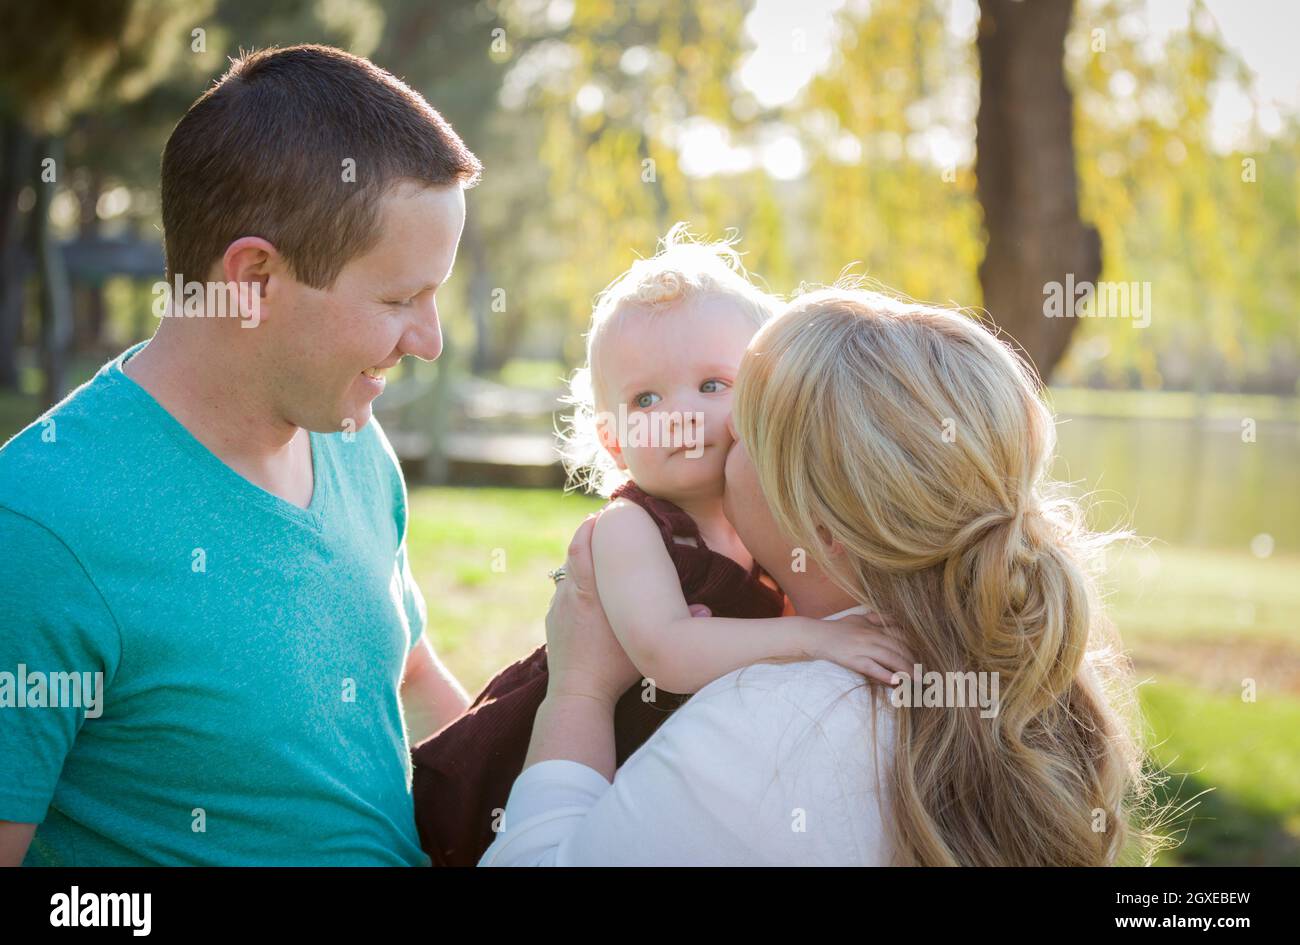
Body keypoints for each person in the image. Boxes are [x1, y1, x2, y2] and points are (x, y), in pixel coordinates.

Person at [480, 285, 1158, 866]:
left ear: (821, 526)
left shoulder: (769, 730)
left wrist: (580, 691)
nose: (707, 437)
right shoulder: (1009, 672)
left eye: (740, 425)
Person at [0, 45, 478, 866]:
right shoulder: (38, 528)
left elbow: (410, 682)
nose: (429, 341)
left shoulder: (355, 443)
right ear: (253, 279)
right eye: (401, 299)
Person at [411, 228, 906, 865]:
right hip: (553, 766)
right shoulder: (630, 528)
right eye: (647, 399)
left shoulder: (765, 526)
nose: (681, 414)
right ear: (613, 439)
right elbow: (669, 651)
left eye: (711, 386)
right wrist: (820, 639)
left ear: (763, 399)